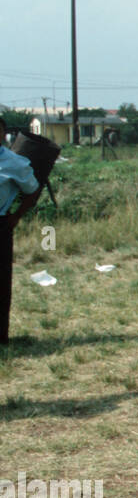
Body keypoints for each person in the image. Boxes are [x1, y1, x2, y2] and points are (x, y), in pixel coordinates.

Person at [0, 114, 41, 346]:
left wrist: (16, 216)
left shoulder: (13, 163)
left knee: (1, 284)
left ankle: (1, 335)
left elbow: (32, 190)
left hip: (1, 225)